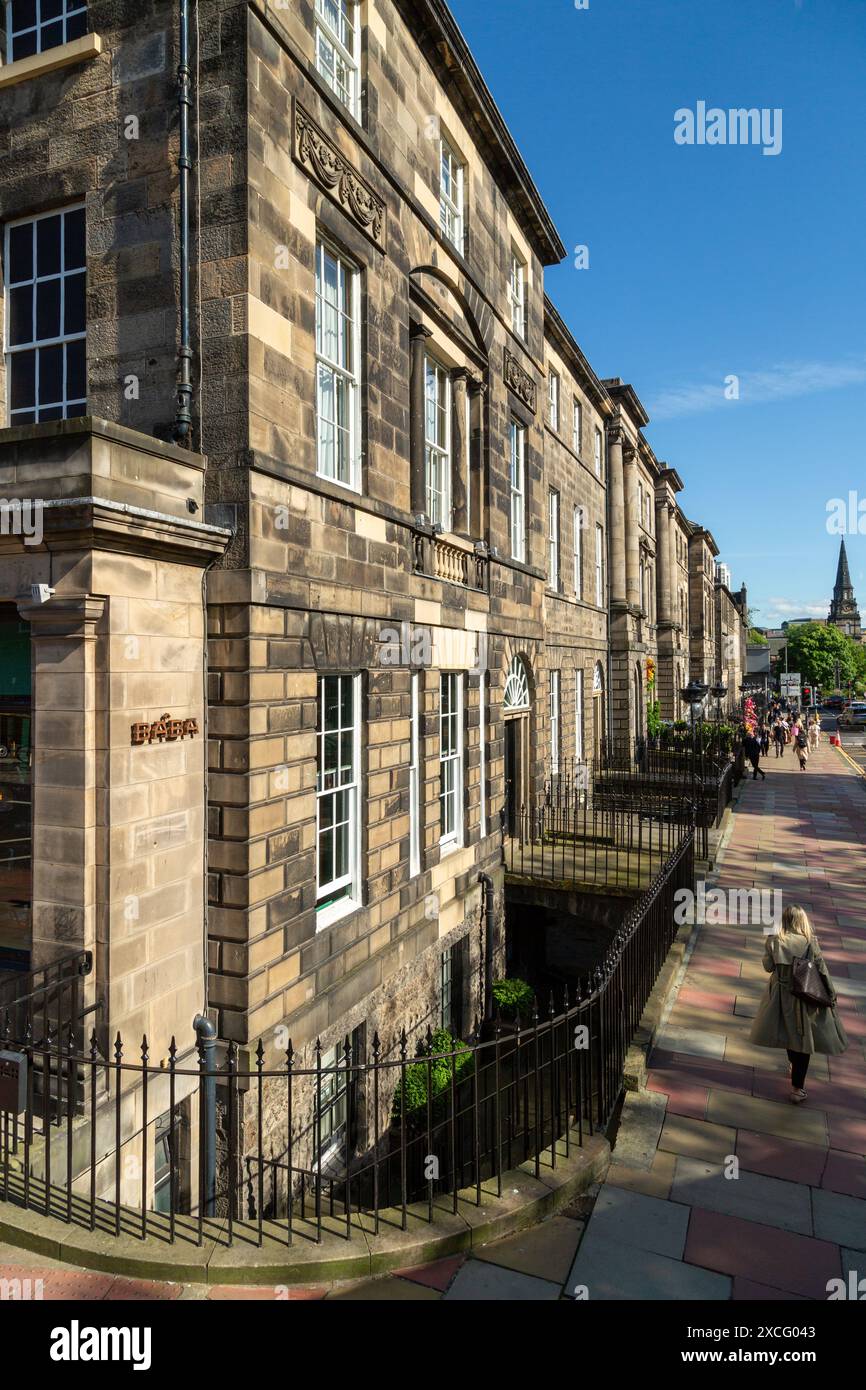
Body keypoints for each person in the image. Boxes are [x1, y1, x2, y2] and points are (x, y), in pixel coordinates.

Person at [750, 905, 847, 1102]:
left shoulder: (775, 940)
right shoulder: (809, 942)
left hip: (780, 995)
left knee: (788, 1032)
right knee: (803, 1040)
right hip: (804, 995)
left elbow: (768, 967)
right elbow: (821, 969)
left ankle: (793, 1064)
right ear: (802, 921)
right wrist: (831, 993)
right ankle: (797, 1088)